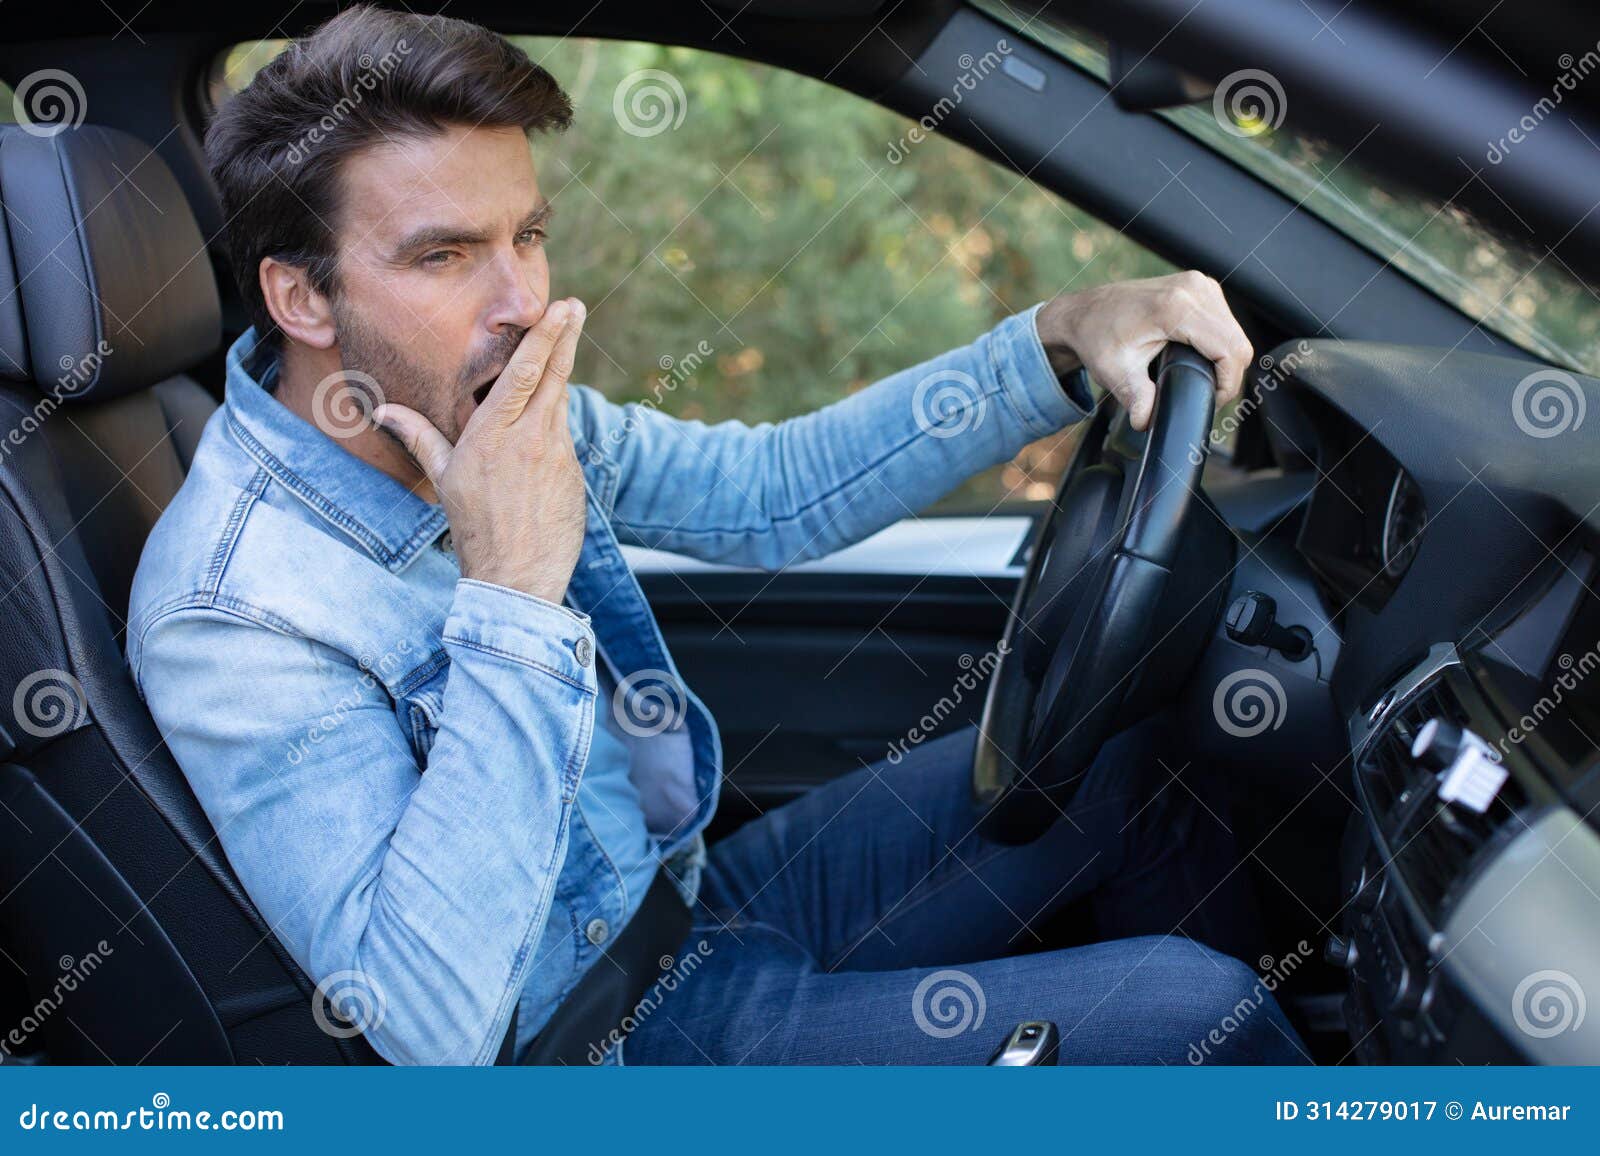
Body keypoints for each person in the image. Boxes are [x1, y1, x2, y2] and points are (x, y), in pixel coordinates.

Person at [128, 4, 1305, 1065]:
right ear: (301, 297)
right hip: (599, 1047)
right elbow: (430, 1024)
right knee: (1192, 1012)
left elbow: (771, 491)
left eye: (526, 236)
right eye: (443, 254)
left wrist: (1056, 334)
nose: (523, 303)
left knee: (1136, 761)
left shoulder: (474, 405)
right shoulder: (233, 609)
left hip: (688, 905)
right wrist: (516, 594)